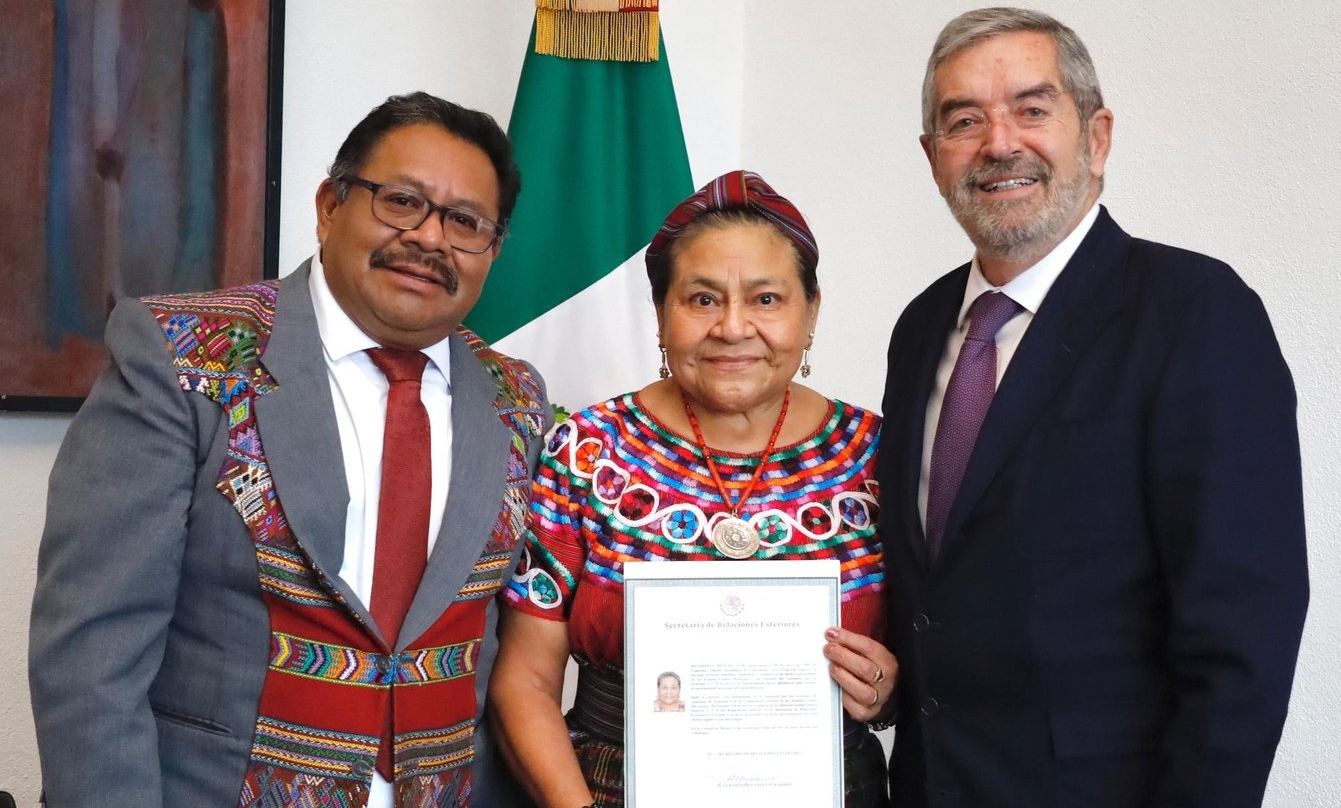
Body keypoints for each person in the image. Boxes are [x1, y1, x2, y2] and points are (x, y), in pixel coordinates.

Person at [28, 92, 551, 808]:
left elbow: (513, 658)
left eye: (465, 222)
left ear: (493, 250)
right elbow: (93, 653)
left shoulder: (517, 397)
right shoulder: (182, 356)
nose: (431, 239)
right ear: (330, 206)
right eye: (402, 202)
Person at [878, 8, 1309, 807]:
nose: (998, 143)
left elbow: (1242, 632)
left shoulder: (1194, 312)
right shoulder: (920, 328)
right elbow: (941, 599)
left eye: (1031, 109)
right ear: (932, 158)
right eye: (963, 121)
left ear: (1096, 136)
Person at [489, 170, 898, 808]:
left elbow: (935, 662)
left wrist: (886, 689)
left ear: (811, 309)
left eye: (767, 299)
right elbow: (524, 682)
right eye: (702, 299)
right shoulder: (588, 451)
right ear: (660, 314)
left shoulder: (879, 456)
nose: (732, 328)